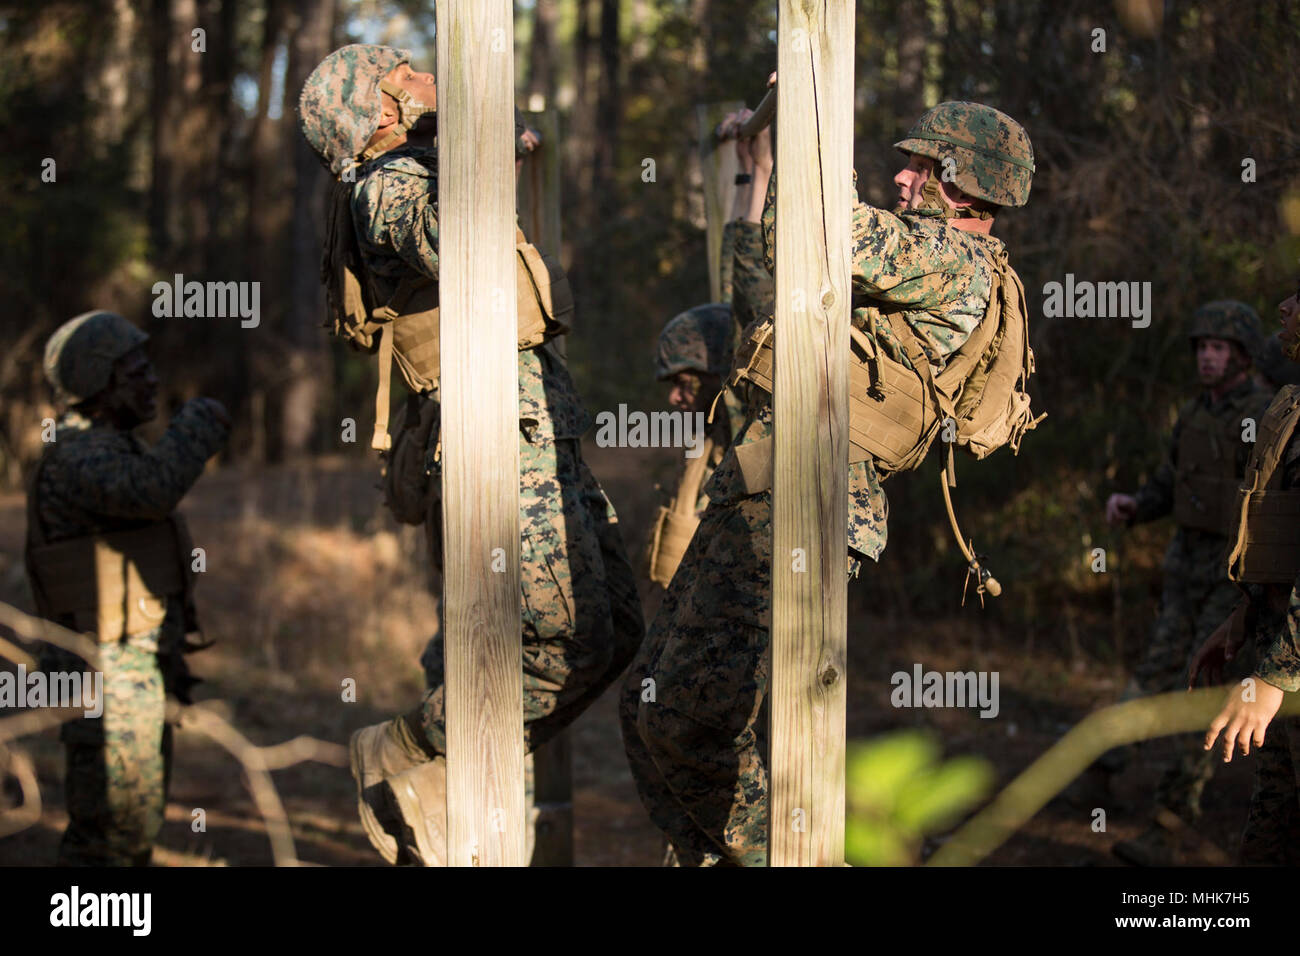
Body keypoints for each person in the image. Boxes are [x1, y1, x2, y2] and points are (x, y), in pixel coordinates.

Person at [621, 99, 1036, 865]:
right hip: (767, 484)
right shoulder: (925, 255)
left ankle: (786, 857)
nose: (903, 177)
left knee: (687, 716)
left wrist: (809, 115)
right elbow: (764, 283)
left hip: (810, 499)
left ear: (964, 184)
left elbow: (814, 231)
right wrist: (765, 164)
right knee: (648, 701)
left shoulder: (953, 260)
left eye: (922, 166)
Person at [297, 44, 644, 865]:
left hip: (528, 420)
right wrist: (473, 135)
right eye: (409, 71)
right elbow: (461, 243)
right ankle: (411, 750)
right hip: (490, 424)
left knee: (617, 627)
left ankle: (436, 763)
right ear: (383, 108)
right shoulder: (384, 183)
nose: (427, 74)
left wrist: (479, 142)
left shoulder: (417, 166)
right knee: (562, 635)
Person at [25, 310, 230, 865]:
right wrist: (199, 423)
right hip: (105, 678)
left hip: (127, 672)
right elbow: (150, 490)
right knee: (107, 842)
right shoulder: (77, 455)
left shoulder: (107, 447)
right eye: (136, 370)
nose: (152, 381)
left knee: (128, 835)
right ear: (98, 382)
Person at [1103, 301, 1272, 865]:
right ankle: (1100, 772)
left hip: (1232, 580)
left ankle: (1170, 823)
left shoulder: (1267, 414)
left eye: (1218, 348)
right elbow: (1174, 479)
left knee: (1202, 690)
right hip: (1185, 569)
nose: (1206, 356)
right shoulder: (1194, 413)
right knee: (1155, 668)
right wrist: (1137, 505)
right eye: (1201, 347)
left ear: (1242, 355)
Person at [1197, 282, 1300, 864]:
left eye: (1299, 298)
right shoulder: (1292, 406)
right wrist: (1243, 619)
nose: (1283, 309)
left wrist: (1276, 677)